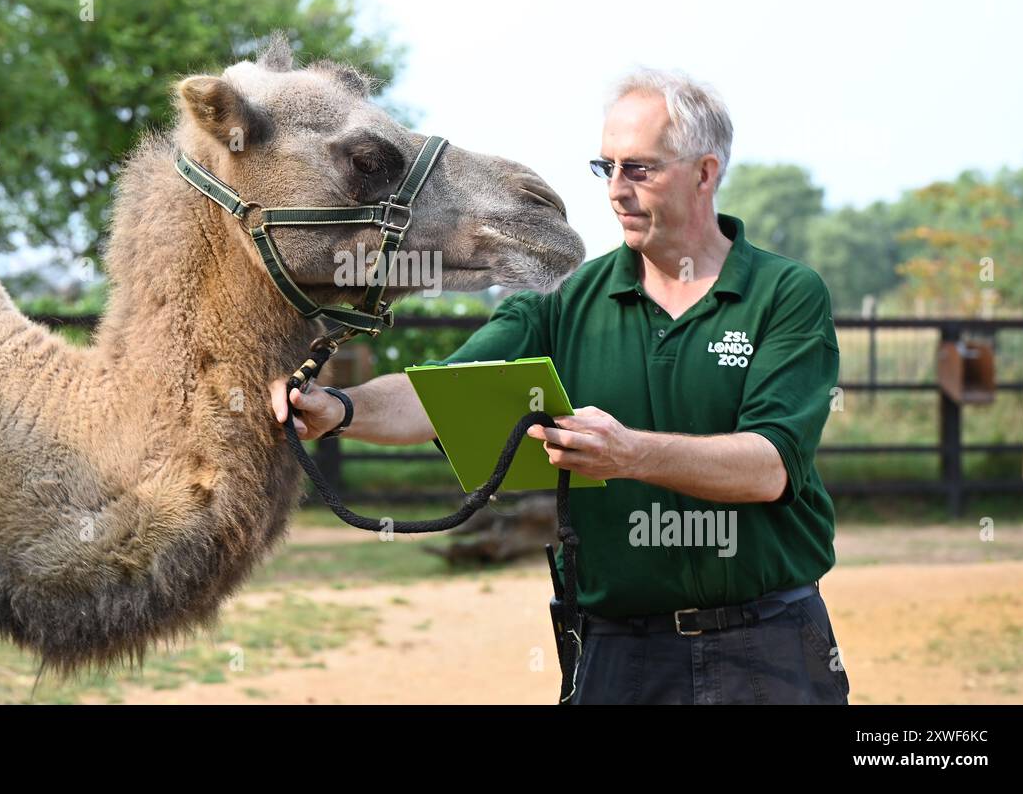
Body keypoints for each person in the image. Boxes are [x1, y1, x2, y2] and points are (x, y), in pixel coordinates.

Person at [270, 68, 848, 704]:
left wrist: (631, 454)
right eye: (607, 168)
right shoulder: (562, 298)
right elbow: (437, 395)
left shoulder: (784, 294)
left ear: (705, 173)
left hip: (767, 648)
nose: (617, 190)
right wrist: (340, 408)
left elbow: (768, 469)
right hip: (618, 654)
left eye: (640, 169)